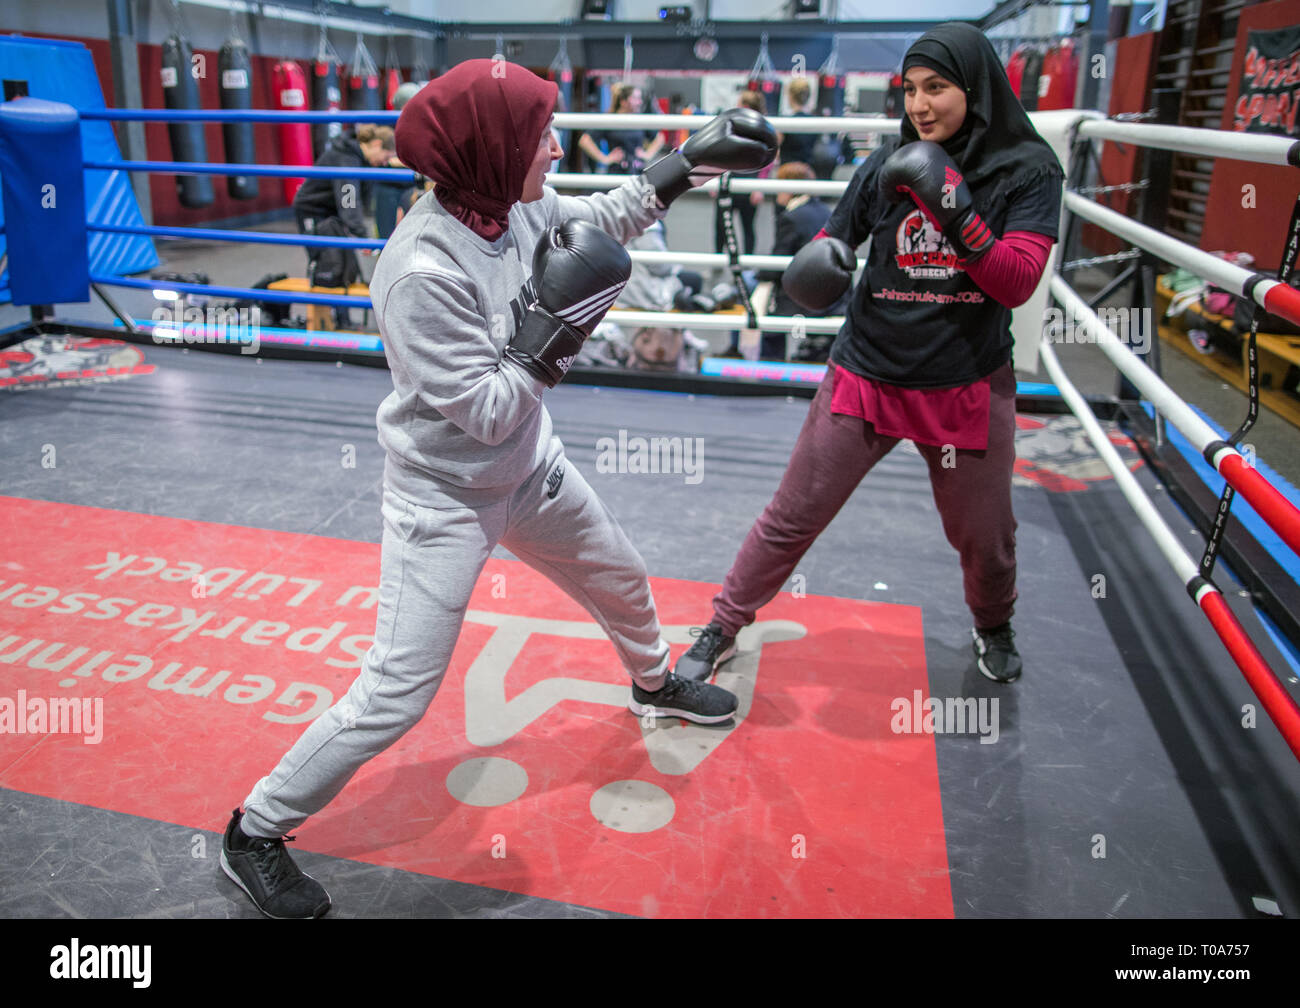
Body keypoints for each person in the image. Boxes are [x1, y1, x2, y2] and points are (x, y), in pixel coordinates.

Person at [220, 59, 777, 919]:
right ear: (491, 152)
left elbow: (595, 220)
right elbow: (484, 410)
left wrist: (685, 163)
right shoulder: (418, 272)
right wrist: (554, 334)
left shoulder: (513, 204)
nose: (555, 147)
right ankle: (255, 829)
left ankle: (653, 682)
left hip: (533, 470)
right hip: (445, 496)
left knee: (623, 577)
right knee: (398, 690)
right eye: (539, 137)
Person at [675, 23, 1063, 688]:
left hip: (965, 382)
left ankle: (993, 624)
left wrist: (956, 212)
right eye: (909, 89)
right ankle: (724, 622)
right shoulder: (886, 164)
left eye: (936, 88)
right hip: (867, 372)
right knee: (792, 514)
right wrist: (819, 270)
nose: (918, 104)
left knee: (987, 536)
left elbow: (1018, 281)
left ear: (974, 87)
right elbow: (835, 237)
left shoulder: (1027, 173)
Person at [292, 123, 395, 325]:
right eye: (385, 156)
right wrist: (363, 238)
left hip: (332, 213)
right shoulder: (346, 160)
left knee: (346, 265)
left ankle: (342, 320)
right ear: (375, 144)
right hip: (312, 211)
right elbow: (349, 203)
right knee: (328, 264)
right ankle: (324, 320)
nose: (384, 162)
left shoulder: (359, 159)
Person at [758, 161, 844, 362]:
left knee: (756, 301)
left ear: (789, 186)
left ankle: (768, 366)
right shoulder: (825, 211)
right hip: (835, 292)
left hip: (805, 294)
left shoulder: (792, 217)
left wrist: (758, 278)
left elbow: (778, 261)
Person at [577, 83, 664, 174]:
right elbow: (585, 140)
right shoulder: (611, 120)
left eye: (640, 98)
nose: (640, 102)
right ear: (623, 101)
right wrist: (604, 159)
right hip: (616, 172)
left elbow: (660, 138)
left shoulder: (640, 120)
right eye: (635, 98)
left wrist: (647, 155)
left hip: (637, 172)